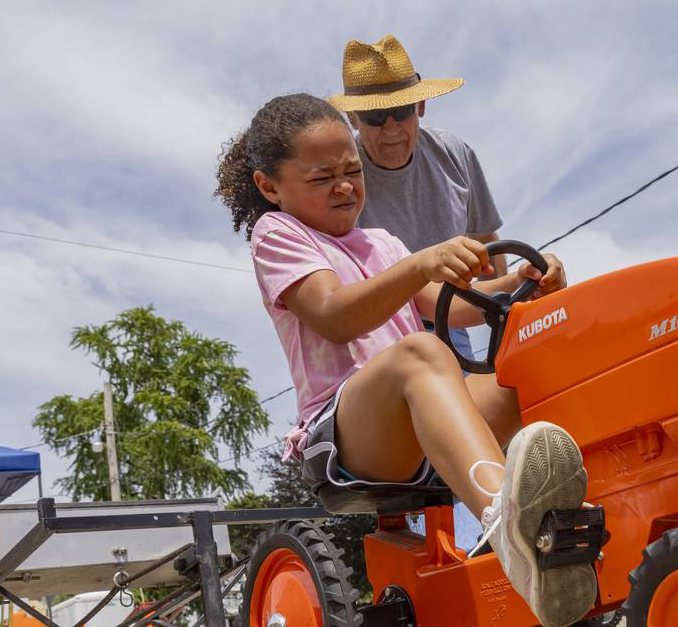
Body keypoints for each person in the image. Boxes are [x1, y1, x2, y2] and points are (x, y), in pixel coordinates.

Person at [215, 93, 596, 626]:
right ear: (269, 186)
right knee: (421, 351)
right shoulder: (278, 235)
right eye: (323, 178)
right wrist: (421, 264)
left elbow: (456, 307)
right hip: (346, 437)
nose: (346, 186)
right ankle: (506, 520)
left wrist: (518, 284)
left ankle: (603, 512)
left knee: (528, 368)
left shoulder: (381, 244)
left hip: (421, 423)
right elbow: (333, 314)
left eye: (352, 170)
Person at [326, 35, 506, 361]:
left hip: (449, 322)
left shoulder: (456, 155)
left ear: (420, 106)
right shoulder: (339, 180)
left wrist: (505, 317)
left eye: (400, 110)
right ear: (352, 118)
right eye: (375, 116)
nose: (391, 127)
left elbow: (485, 243)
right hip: (375, 334)